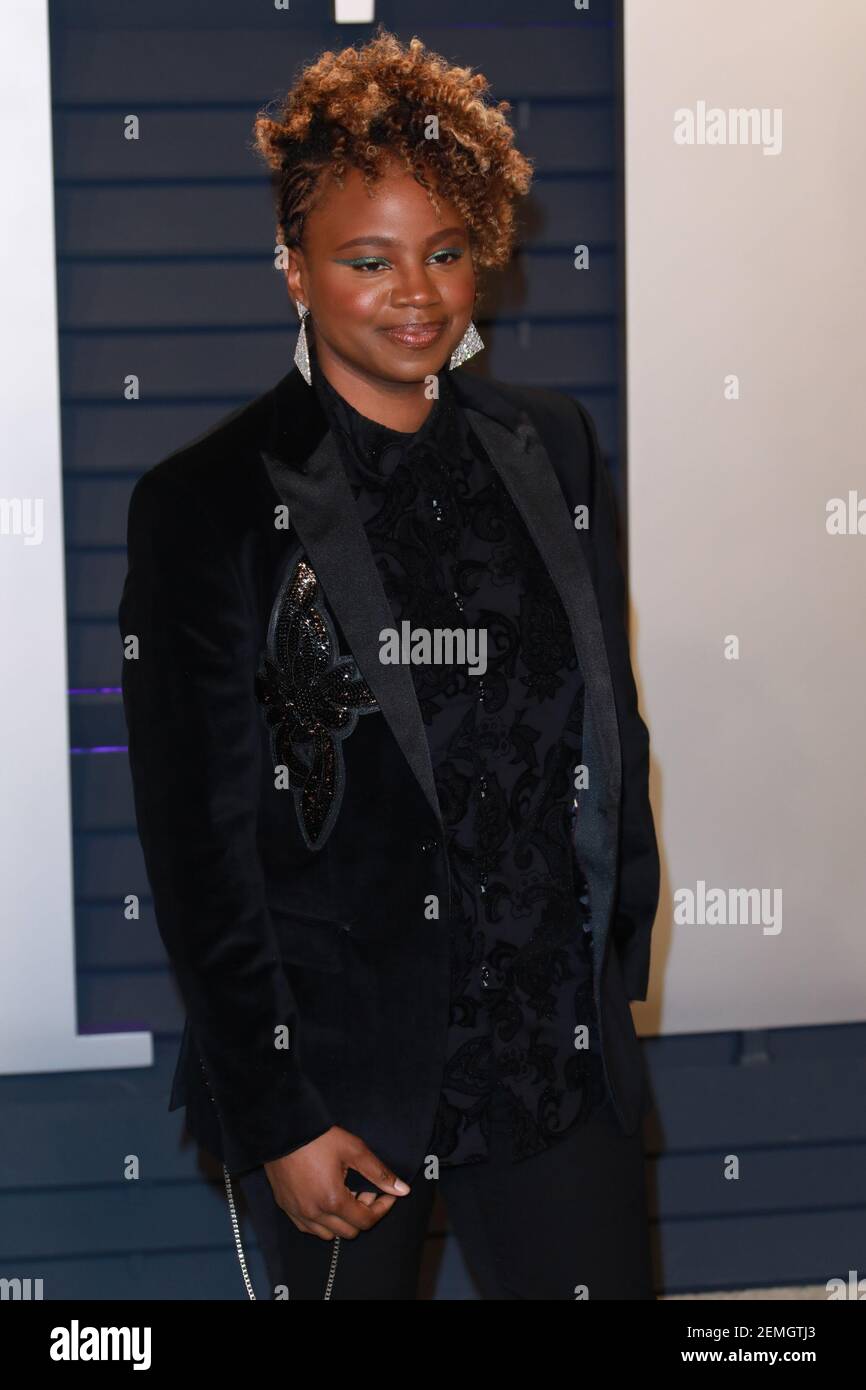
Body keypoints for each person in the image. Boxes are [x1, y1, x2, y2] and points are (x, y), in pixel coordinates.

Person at [119, 28, 660, 1300]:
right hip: (340, 1095)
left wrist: (605, 977)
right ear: (294, 268)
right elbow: (196, 850)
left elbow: (600, 725)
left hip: (548, 1063)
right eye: (368, 260)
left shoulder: (554, 446)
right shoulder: (205, 502)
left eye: (445, 252)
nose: (416, 294)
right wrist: (276, 1113)